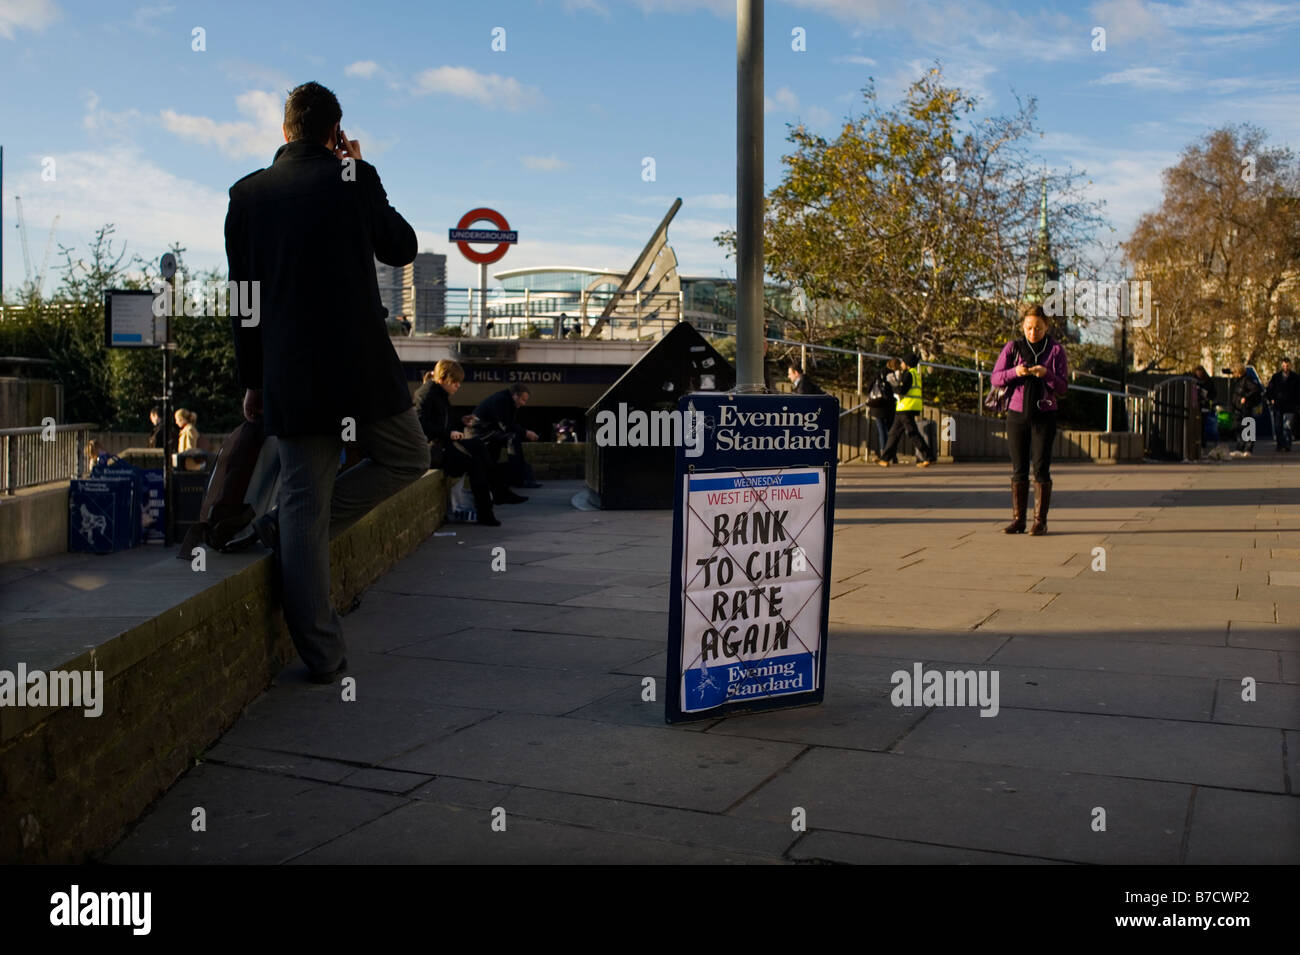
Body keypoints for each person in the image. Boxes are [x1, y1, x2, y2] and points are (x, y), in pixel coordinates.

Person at [225, 81, 429, 684]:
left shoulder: (247, 195)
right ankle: (291, 531)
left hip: (292, 373)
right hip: (361, 368)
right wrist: (362, 169)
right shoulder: (353, 180)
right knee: (409, 458)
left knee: (304, 504)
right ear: (335, 132)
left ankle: (324, 654)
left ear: (285, 130)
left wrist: (253, 377)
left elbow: (245, 300)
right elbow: (403, 247)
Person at [990, 305, 1069, 535]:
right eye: (1029, 327)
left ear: (1046, 327)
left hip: (1044, 415)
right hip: (1016, 414)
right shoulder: (1012, 347)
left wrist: (1047, 375)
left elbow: (1063, 387)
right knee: (1019, 469)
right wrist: (1016, 372)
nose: (1033, 332)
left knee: (1041, 468)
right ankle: (1018, 519)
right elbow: (996, 378)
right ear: (1022, 326)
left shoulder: (1055, 350)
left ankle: (1040, 521)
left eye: (1038, 328)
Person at [413, 361, 500, 526]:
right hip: (434, 451)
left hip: (443, 445)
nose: (458, 386)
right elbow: (419, 425)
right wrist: (448, 433)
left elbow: (441, 423)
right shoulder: (426, 394)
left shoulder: (440, 395)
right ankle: (486, 511)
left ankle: (493, 493)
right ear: (444, 379)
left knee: (478, 445)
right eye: (455, 382)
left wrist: (460, 422)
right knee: (475, 463)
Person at [468, 384, 541, 492]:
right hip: (478, 433)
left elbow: (507, 425)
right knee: (512, 439)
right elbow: (506, 426)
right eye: (523, 400)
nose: (523, 403)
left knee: (507, 442)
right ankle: (518, 479)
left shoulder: (509, 402)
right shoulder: (501, 400)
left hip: (487, 431)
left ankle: (516, 477)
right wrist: (526, 432)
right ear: (515, 395)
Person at [878, 352, 934, 468]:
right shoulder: (915, 374)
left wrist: (893, 384)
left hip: (906, 408)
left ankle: (928, 456)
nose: (901, 364)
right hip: (907, 407)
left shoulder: (908, 375)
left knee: (912, 433)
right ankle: (885, 458)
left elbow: (902, 390)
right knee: (894, 434)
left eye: (903, 362)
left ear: (907, 364)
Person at [1228, 363, 1264, 457]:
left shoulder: (1246, 380)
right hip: (1238, 408)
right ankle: (1240, 447)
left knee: (1247, 427)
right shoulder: (1238, 381)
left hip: (1245, 408)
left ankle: (1248, 449)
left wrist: (1245, 397)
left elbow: (1255, 389)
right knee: (1239, 428)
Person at [1265, 357, 1298, 452]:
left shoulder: (1295, 378)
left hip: (1290, 406)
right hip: (1278, 405)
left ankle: (1287, 444)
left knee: (1287, 426)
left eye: (1287, 366)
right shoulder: (1276, 377)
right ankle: (1280, 444)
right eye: (1284, 366)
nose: (1286, 368)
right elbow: (1269, 389)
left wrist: (1297, 405)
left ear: (1290, 365)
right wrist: (1271, 398)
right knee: (1278, 425)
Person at [1191, 366, 1217, 452]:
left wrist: (1208, 397)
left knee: (1202, 425)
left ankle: (1202, 443)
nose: (1199, 375)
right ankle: (1196, 442)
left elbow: (1213, 393)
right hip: (1195, 406)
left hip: (1204, 406)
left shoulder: (1208, 382)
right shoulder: (1192, 380)